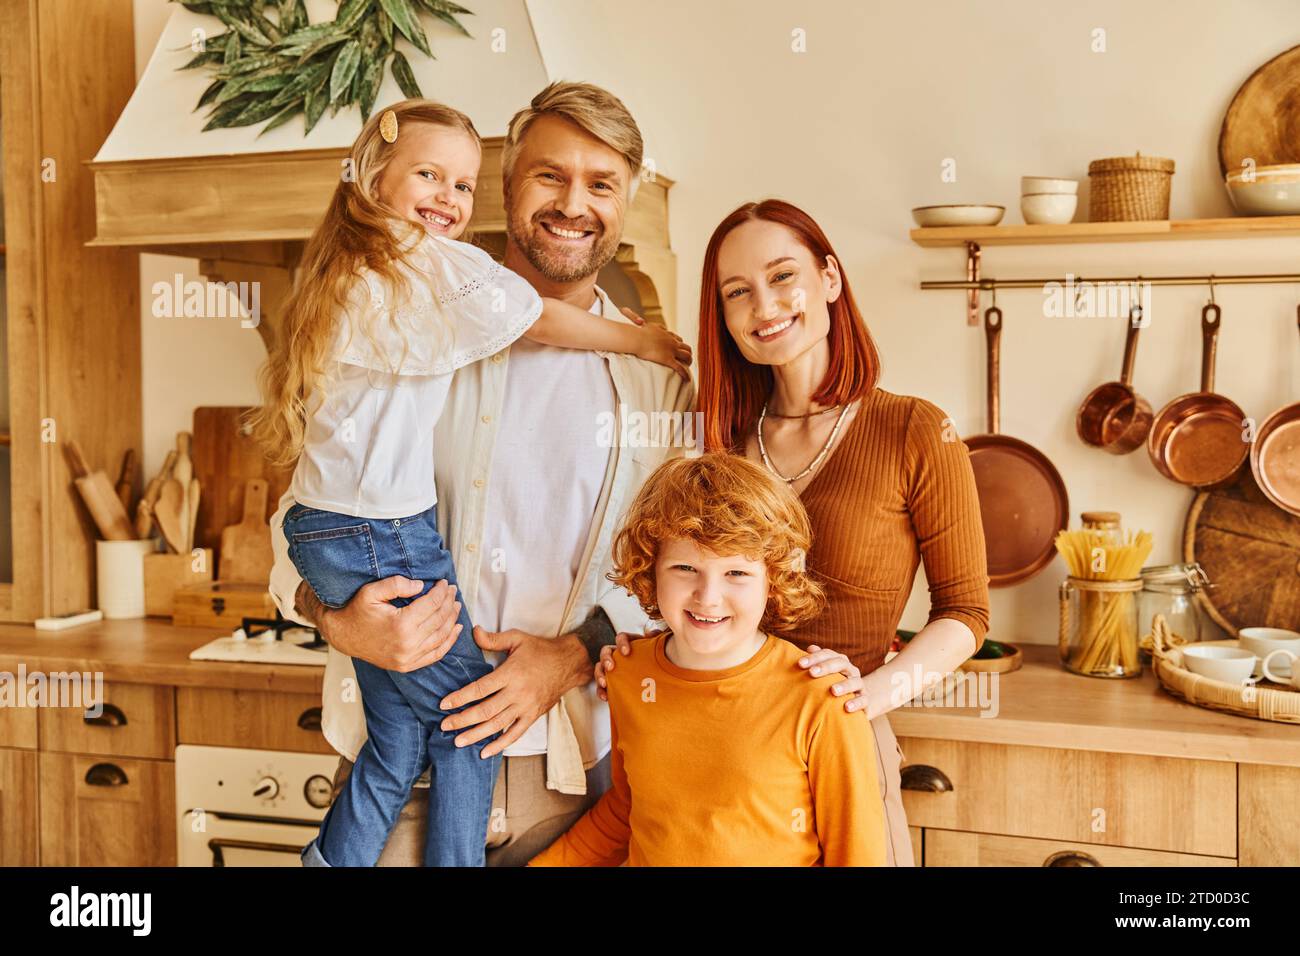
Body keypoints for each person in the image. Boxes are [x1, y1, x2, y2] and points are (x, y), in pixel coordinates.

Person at [249, 99, 689, 867]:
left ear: (628, 201)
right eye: (548, 176)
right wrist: (334, 617)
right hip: (396, 774)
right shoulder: (404, 320)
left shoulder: (662, 385)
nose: (573, 205)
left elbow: (674, 575)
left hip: (568, 778)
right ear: (507, 186)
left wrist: (574, 654)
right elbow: (305, 512)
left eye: (602, 184)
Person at [599, 198, 990, 866]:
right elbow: (693, 585)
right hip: (718, 754)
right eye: (737, 292)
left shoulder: (916, 430)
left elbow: (967, 612)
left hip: (842, 745)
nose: (764, 305)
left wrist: (869, 695)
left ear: (830, 280)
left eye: (783, 277)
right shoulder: (714, 440)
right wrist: (642, 653)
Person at [530, 453, 886, 866]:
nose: (708, 596)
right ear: (650, 570)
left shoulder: (824, 698)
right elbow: (627, 812)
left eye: (736, 573)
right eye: (685, 567)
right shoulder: (627, 673)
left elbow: (857, 853)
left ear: (773, 581)